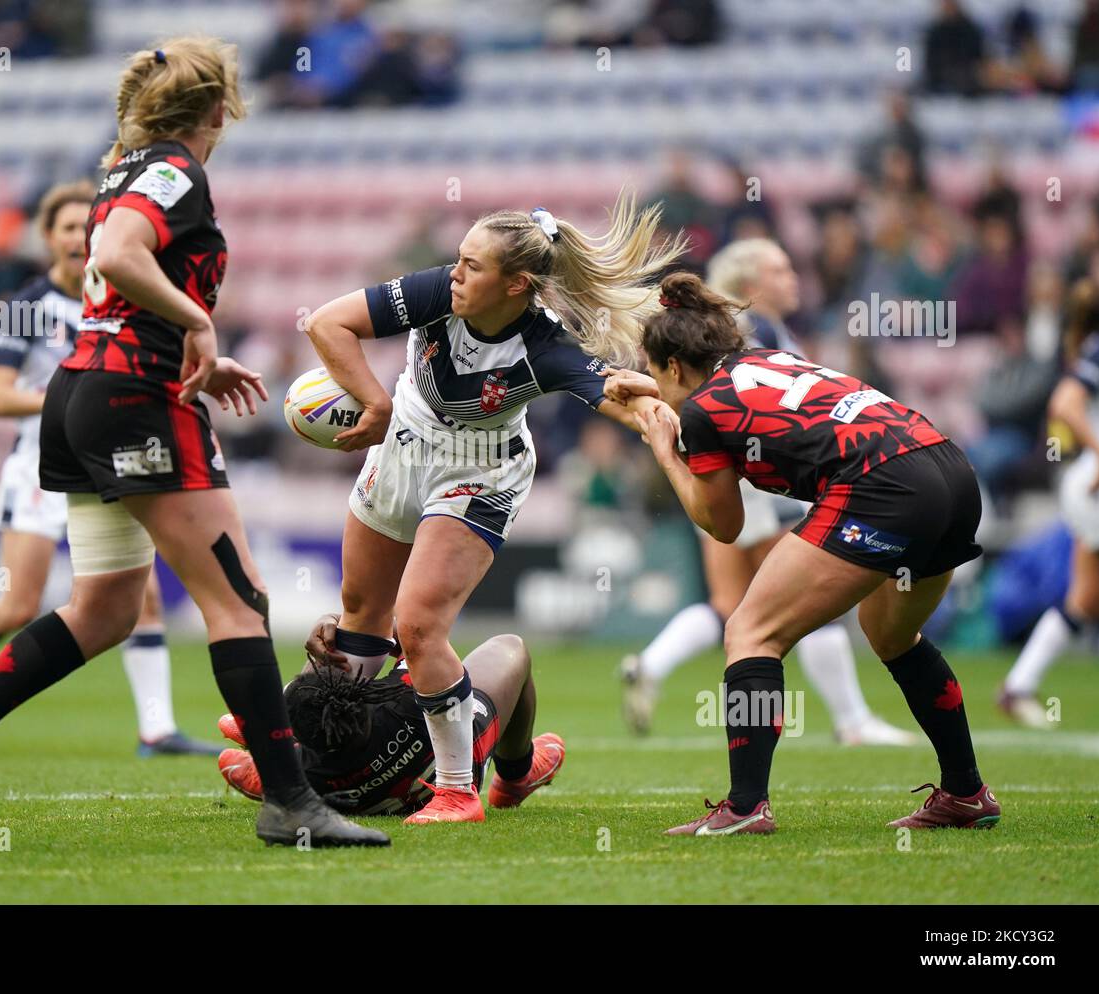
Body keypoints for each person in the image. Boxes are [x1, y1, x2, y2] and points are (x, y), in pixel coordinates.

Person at [0, 37, 388, 848]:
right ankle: (291, 801)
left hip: (84, 395)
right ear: (218, 111)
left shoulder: (121, 169)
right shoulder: (171, 171)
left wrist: (194, 338)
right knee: (240, 602)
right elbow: (118, 254)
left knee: (107, 608)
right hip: (138, 401)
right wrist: (197, 321)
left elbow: (123, 273)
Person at [305, 192, 683, 824]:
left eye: (472, 266)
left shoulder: (547, 347)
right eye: (459, 259)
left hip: (480, 469)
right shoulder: (435, 292)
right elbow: (325, 323)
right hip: (404, 441)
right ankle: (311, 759)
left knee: (420, 623)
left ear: (517, 285)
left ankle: (456, 792)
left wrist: (655, 412)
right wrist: (373, 402)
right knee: (359, 612)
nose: (455, 272)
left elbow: (618, 399)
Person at [604, 270, 1000, 835]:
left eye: (651, 370)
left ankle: (745, 807)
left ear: (671, 366)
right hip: (949, 470)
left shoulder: (700, 412)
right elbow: (736, 405)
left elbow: (722, 523)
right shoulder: (761, 359)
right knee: (889, 634)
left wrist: (666, 452)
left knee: (750, 632)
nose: (650, 380)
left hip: (883, 486)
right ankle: (965, 792)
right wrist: (653, 398)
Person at [0, 181, 216, 758]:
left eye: (83, 228)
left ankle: (156, 729)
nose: (75, 238)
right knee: (19, 603)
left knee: (141, 594)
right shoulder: (27, 307)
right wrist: (74, 395)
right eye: (64, 228)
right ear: (46, 238)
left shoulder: (115, 300)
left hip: (104, 462)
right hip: (39, 468)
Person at [622, 239, 914, 747]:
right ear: (751, 283)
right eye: (779, 269)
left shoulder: (758, 332)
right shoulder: (744, 333)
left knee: (732, 604)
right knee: (809, 595)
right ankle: (852, 720)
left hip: (723, 470)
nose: (792, 277)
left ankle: (650, 664)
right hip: (752, 477)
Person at [217, 614, 564, 815]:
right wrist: (344, 625)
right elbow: (417, 641)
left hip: (362, 793)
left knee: (301, 728)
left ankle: (269, 763)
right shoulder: (403, 698)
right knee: (511, 647)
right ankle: (516, 776)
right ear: (358, 694)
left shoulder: (311, 769)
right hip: (458, 758)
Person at [999, 279, 1099, 726]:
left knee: (1087, 599)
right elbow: (1065, 402)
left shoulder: (1092, 346)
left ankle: (1018, 686)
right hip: (1097, 484)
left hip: (1087, 486)